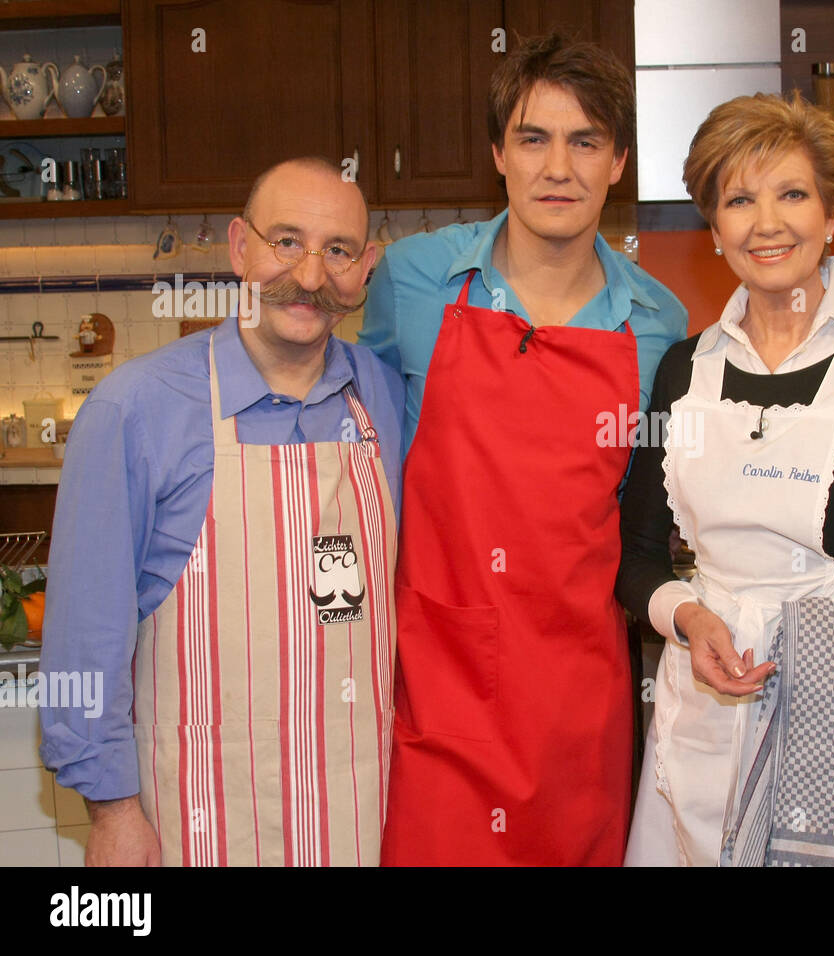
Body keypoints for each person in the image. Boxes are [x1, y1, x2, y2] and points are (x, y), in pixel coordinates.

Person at [359, 33, 687, 866]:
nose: (558, 168)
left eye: (586, 142)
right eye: (534, 139)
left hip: (579, 696)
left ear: (619, 162)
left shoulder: (660, 323)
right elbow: (354, 451)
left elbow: (641, 522)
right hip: (436, 683)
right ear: (498, 153)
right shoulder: (413, 280)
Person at [618, 92, 834, 867]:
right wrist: (687, 617)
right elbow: (635, 556)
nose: (766, 223)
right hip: (706, 707)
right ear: (715, 229)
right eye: (739, 200)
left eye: (793, 194)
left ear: (830, 215)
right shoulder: (684, 371)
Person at [39, 156, 403, 866]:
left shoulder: (384, 399)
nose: (309, 276)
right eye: (286, 242)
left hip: (360, 817)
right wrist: (112, 814)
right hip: (198, 823)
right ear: (239, 247)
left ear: (365, 270)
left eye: (338, 250)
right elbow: (82, 638)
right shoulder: (133, 410)